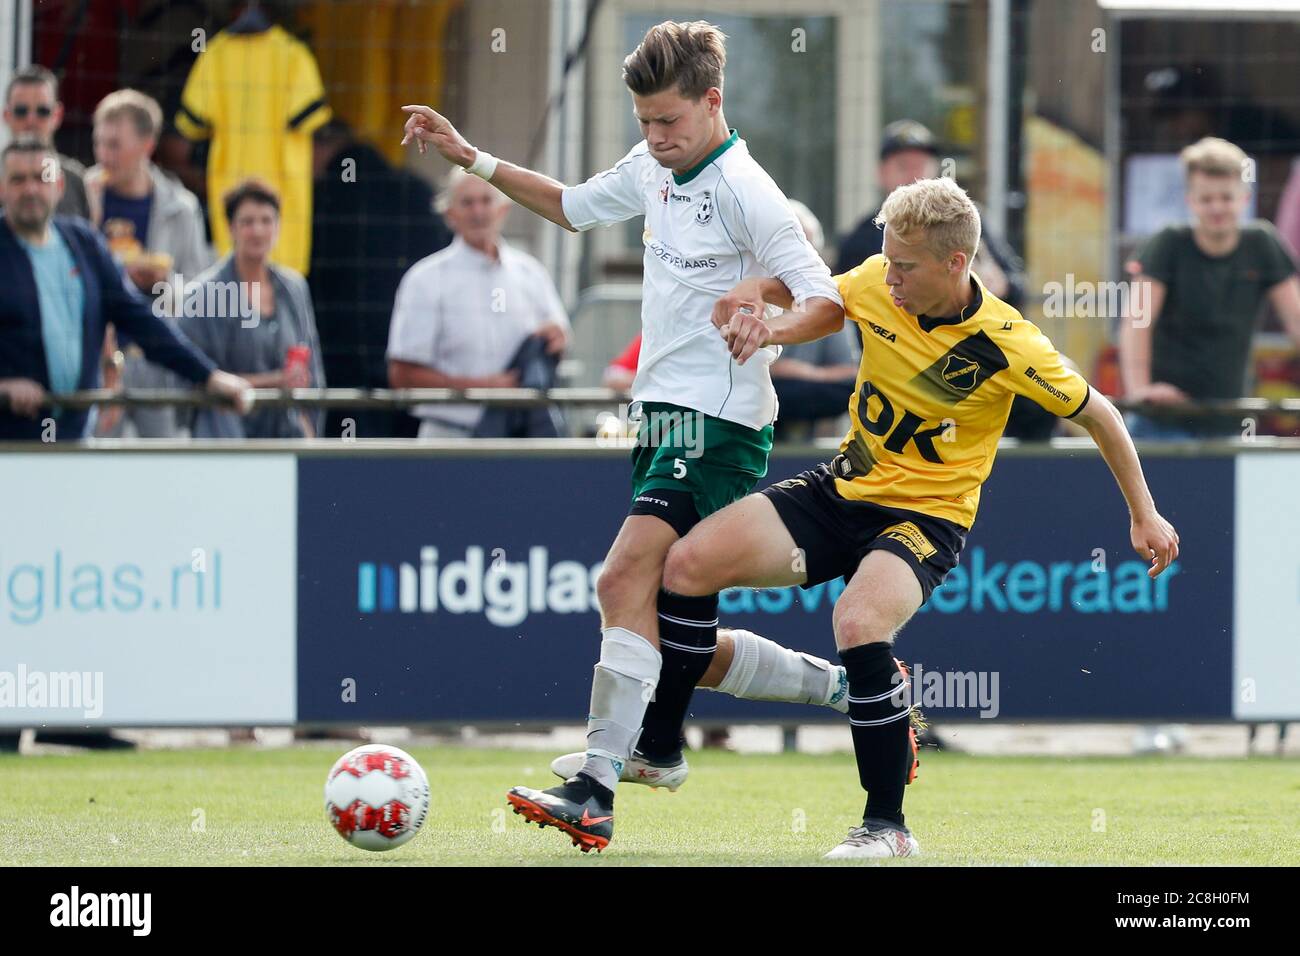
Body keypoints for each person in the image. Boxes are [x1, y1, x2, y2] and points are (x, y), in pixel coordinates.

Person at [614, 177, 1179, 859]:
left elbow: (1101, 414)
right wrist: (768, 311)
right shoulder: (881, 278)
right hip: (841, 491)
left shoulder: (1008, 341)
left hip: (925, 517)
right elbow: (827, 303)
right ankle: (662, 745)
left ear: (956, 262)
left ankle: (887, 827)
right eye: (888, 259)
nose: (892, 275)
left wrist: (1143, 513)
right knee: (686, 564)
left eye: (906, 265)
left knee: (857, 622)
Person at [401, 19, 846, 853]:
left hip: (716, 425)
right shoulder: (653, 165)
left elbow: (828, 297)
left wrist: (768, 327)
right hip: (659, 420)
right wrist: (473, 159)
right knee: (672, 629)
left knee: (620, 578)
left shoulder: (750, 190)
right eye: (644, 122)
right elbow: (569, 209)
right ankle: (835, 689)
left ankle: (597, 786)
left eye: (670, 122)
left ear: (713, 103)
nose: (656, 137)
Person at [0, 139, 251, 440]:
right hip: (10, 442)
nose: (30, 190)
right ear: (2, 188)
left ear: (60, 185)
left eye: (41, 178)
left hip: (71, 438)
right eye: (18, 179)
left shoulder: (84, 245)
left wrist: (208, 376)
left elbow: (140, 320)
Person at [1120, 136, 1300, 439]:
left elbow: (1296, 320)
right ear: (1190, 200)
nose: (1217, 207)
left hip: (1229, 419)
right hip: (1161, 420)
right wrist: (1141, 391)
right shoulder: (1168, 243)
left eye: (1226, 198)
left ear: (1244, 198)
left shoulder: (1263, 243)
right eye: (1206, 199)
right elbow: (1137, 322)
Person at [385, 168, 570, 438]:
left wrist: (557, 338)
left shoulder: (532, 273)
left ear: (503, 209)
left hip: (520, 440)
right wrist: (482, 389)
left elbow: (560, 341)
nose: (478, 212)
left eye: (486, 200)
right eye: (467, 202)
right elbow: (402, 377)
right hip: (450, 440)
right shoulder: (424, 280)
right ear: (449, 214)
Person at [311, 119, 452, 438]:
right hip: (413, 359)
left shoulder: (323, 199)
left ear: (318, 149)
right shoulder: (415, 190)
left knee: (348, 468)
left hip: (342, 361)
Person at [84, 89, 212, 438]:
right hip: (97, 359)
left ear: (146, 145)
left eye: (115, 145)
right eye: (100, 144)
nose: (104, 155)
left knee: (163, 466)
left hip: (157, 359)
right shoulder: (82, 196)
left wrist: (165, 281)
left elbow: (200, 289)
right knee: (94, 465)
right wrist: (90, 217)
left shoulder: (181, 207)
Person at [181, 178, 326, 438]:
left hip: (286, 438)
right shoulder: (201, 293)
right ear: (230, 228)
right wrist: (276, 381)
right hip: (225, 442)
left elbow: (312, 371)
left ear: (278, 226)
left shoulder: (294, 288)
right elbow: (192, 377)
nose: (257, 230)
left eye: (266, 220)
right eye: (247, 222)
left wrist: (309, 432)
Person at [836, 119, 1025, 308]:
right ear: (881, 174)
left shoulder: (966, 219)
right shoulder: (862, 239)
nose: (914, 175)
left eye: (921, 165)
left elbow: (1017, 286)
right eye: (903, 166)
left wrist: (999, 284)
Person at [771, 198, 860, 439]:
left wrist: (799, 371)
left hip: (803, 401)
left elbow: (853, 374)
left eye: (805, 251)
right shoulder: (742, 293)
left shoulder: (827, 301)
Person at [2, 65, 89, 220]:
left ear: (57, 115)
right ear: (6, 115)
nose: (31, 120)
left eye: (42, 111)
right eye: (21, 111)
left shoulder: (75, 179)